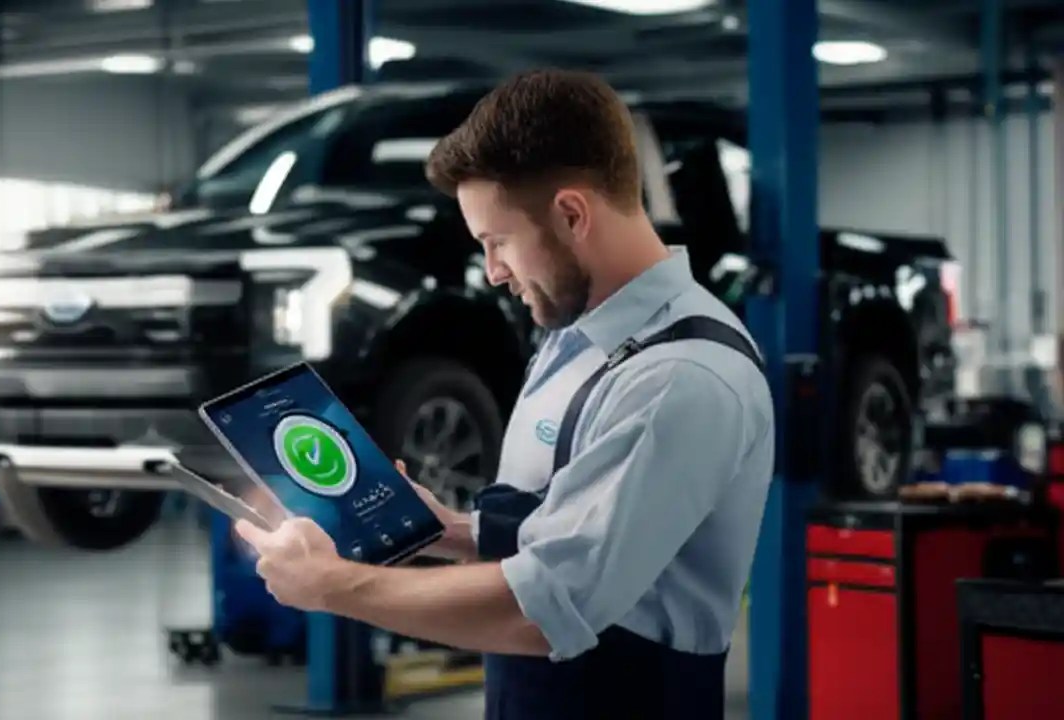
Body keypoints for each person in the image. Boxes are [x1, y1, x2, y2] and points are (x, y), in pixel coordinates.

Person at [234, 68, 775, 720]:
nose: (493, 273)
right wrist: (451, 530)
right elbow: (573, 521)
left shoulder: (677, 378)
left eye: (497, 242)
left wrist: (331, 586)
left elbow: (546, 608)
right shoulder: (576, 339)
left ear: (572, 214)